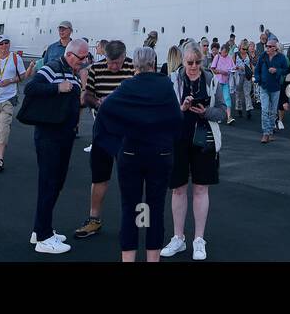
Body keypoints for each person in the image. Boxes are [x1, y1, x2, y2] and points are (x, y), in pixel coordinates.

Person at [91, 46, 182, 261]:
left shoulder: (127, 86)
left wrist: (116, 144)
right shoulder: (165, 86)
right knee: (153, 208)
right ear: (154, 62)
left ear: (135, 65)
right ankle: (152, 259)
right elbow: (177, 120)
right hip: (159, 156)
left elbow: (104, 111)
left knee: (131, 208)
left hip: (131, 155)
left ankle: (129, 259)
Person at [161, 42, 227, 260]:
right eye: (190, 62)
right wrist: (181, 108)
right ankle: (178, 237)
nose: (194, 66)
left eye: (198, 62)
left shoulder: (210, 80)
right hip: (178, 140)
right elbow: (164, 112)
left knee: (201, 189)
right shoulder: (172, 80)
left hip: (204, 139)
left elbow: (223, 112)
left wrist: (205, 111)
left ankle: (199, 239)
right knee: (178, 189)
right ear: (183, 60)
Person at [24, 38, 85, 254]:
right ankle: (43, 237)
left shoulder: (73, 72)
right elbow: (31, 89)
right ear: (70, 55)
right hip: (50, 135)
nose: (84, 62)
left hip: (64, 135)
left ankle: (40, 228)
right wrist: (57, 87)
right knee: (49, 182)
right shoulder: (53, 68)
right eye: (82, 58)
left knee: (57, 182)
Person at [73, 40, 134, 241]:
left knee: (134, 178)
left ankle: (138, 222)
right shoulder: (96, 69)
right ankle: (94, 219)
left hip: (128, 133)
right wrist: (99, 102)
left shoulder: (134, 68)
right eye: (110, 62)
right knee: (99, 177)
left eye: (117, 63)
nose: (113, 67)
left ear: (124, 57)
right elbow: (86, 96)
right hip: (104, 131)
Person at [0, 37, 35, 173]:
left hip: (8, 99)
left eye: (6, 43)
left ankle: (1, 158)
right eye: (1, 44)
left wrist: (9, 80)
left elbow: (23, 76)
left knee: (3, 128)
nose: (4, 46)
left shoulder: (15, 58)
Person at [255, 35, 288, 144]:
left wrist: (277, 71)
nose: (267, 48)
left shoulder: (281, 58)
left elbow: (285, 70)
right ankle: (266, 133)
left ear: (275, 48)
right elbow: (257, 69)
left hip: (275, 87)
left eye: (269, 47)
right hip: (264, 86)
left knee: (273, 112)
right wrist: (259, 80)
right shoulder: (262, 56)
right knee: (264, 110)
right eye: (266, 46)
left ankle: (270, 132)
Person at [211, 41, 237, 125]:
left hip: (225, 82)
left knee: (227, 98)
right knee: (218, 100)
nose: (225, 54)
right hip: (218, 82)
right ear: (221, 50)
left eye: (226, 52)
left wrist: (235, 69)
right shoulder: (217, 57)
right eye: (224, 52)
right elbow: (213, 69)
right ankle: (217, 116)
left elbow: (233, 67)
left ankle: (229, 117)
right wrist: (221, 72)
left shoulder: (229, 58)